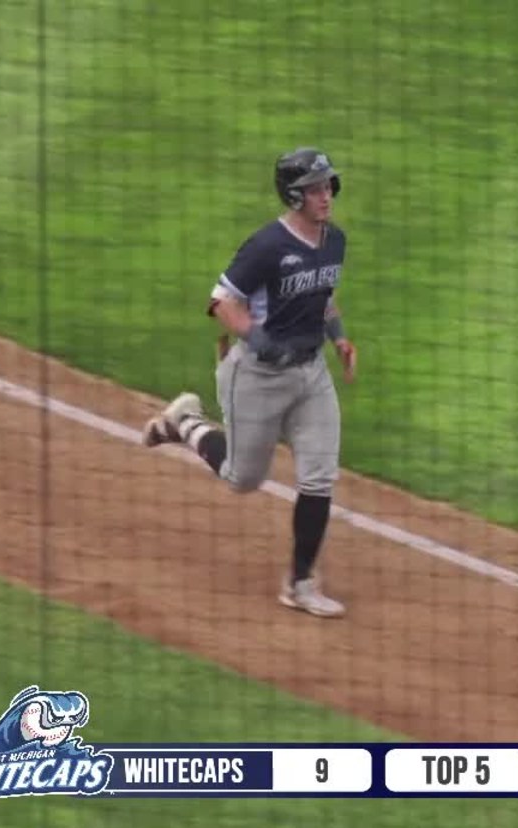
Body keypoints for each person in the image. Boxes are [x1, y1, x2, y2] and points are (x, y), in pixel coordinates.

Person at [142, 147, 358, 618]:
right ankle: (186, 423)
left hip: (312, 375)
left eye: (328, 186)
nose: (326, 195)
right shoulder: (267, 246)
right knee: (243, 479)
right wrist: (260, 340)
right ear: (294, 195)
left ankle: (300, 583)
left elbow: (323, 296)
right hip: (257, 376)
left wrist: (339, 338)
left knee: (319, 476)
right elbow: (221, 302)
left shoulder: (335, 241)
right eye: (315, 189)